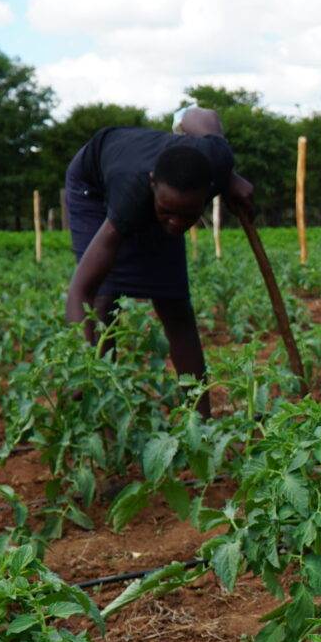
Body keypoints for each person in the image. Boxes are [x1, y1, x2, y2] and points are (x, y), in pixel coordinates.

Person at [63, 106, 255, 415]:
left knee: (174, 302)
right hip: (94, 184)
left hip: (157, 182)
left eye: (189, 216)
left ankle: (199, 421)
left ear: (207, 191)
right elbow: (80, 290)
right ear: (153, 184)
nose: (177, 224)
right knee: (104, 297)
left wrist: (229, 176)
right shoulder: (131, 198)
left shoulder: (216, 156)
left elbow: (194, 113)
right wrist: (80, 364)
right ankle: (98, 412)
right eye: (168, 212)